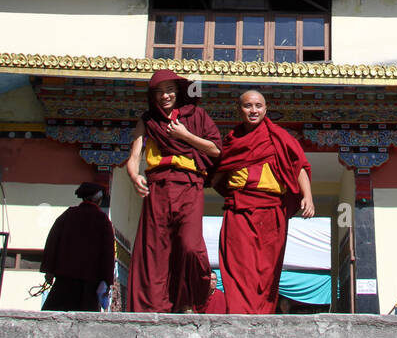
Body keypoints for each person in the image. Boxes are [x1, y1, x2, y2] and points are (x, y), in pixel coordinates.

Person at [124, 68, 222, 312]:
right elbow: (134, 155)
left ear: (178, 92)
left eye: (169, 90)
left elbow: (215, 149)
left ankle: (189, 298)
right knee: (155, 246)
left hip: (189, 184)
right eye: (159, 92)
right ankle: (154, 306)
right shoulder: (148, 120)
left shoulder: (197, 116)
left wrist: (185, 135)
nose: (165, 96)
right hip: (158, 186)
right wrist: (133, 174)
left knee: (189, 245)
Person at [211, 90, 314, 314]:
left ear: (266, 109)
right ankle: (239, 314)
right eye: (248, 106)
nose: (253, 110)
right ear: (239, 110)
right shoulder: (232, 141)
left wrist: (308, 196)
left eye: (258, 106)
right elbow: (216, 175)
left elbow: (299, 166)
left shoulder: (279, 137)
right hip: (239, 210)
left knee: (267, 267)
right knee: (238, 264)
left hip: (271, 210)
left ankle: (262, 314)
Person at [40, 182, 115, 312]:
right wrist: (106, 281)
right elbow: (108, 254)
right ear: (99, 199)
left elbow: (52, 243)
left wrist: (49, 271)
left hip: (64, 281)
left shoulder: (67, 216)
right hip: (89, 285)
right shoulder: (103, 220)